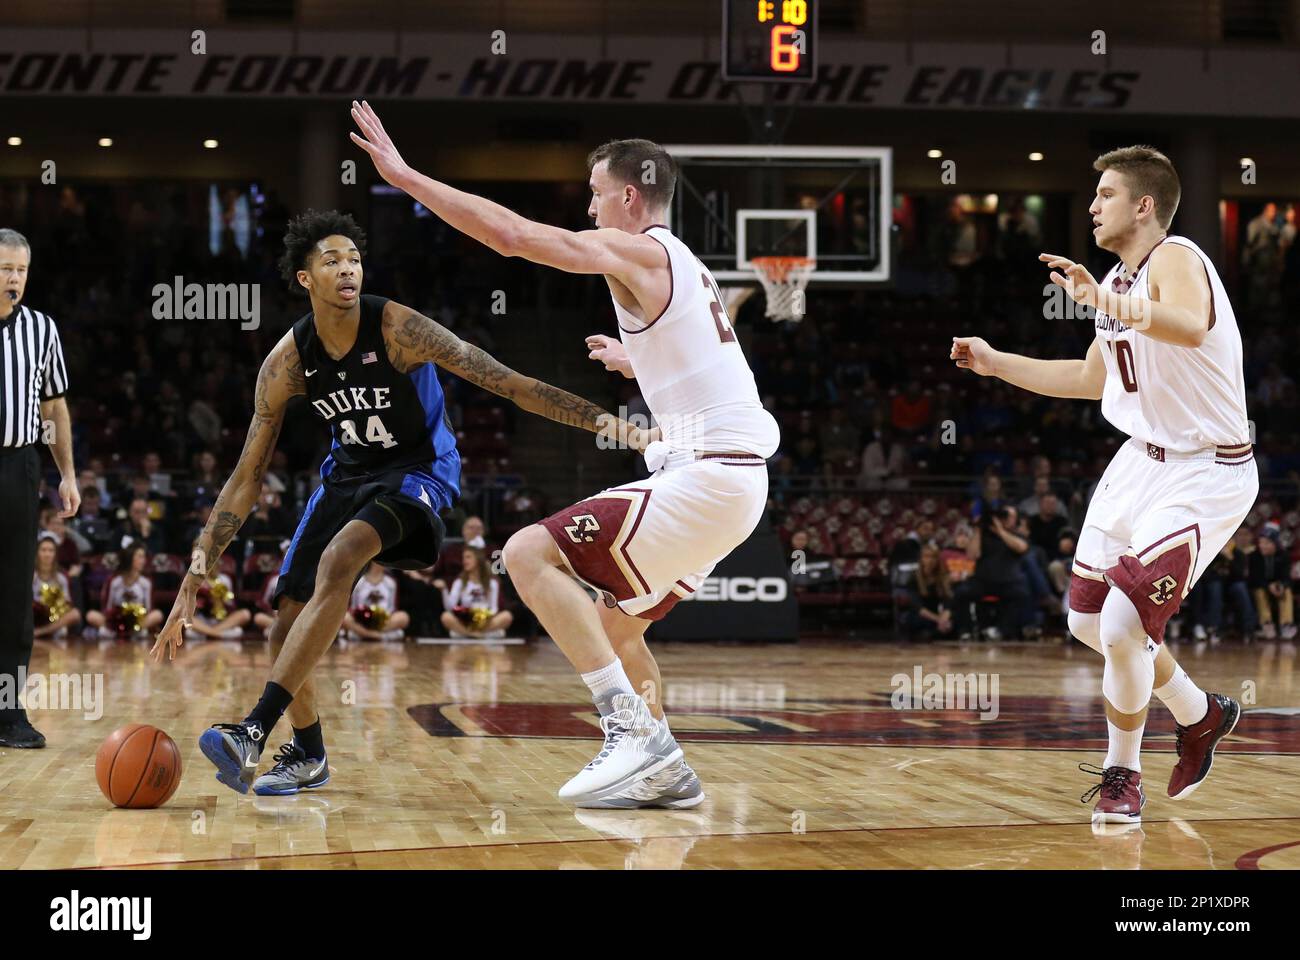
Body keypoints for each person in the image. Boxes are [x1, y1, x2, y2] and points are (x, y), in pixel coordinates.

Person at [350, 101, 778, 808]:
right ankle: (665, 768)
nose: (588, 204)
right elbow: (710, 367)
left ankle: (627, 732)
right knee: (615, 628)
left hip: (711, 476)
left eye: (596, 193)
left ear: (629, 197)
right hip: (733, 480)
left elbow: (515, 237)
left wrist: (407, 178)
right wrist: (636, 357)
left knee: (524, 554)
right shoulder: (688, 269)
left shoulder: (641, 251)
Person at [151, 209, 648, 799]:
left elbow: (504, 381)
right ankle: (307, 754)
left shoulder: (397, 329)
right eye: (331, 261)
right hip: (348, 479)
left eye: (354, 259)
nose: (347, 269)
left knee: (342, 557)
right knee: (281, 629)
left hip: (418, 474)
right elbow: (245, 478)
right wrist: (192, 577)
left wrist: (614, 426)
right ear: (305, 278)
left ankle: (253, 730)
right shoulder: (286, 363)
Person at [952, 145, 1258, 826]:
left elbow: (1188, 324)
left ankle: (1124, 774)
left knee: (1123, 625)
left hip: (1207, 470)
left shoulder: (1175, 257)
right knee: (1086, 622)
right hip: (1141, 462)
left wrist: (1103, 296)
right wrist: (997, 364)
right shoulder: (1119, 279)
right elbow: (1094, 379)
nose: (1092, 206)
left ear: (1144, 206)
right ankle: (1199, 714)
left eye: (1107, 194)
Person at [0, 228, 78, 749]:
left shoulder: (41, 329)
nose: (14, 279)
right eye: (5, 269)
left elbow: (54, 407)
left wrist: (67, 473)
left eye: (21, 270)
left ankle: (9, 715)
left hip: (17, 466)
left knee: (11, 596)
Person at [87, 543, 164, 637]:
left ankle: (135, 631)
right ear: (129, 558)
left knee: (158, 615)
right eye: (140, 557)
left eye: (144, 557)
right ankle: (114, 631)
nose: (143, 561)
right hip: (116, 621)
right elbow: (106, 608)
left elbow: (149, 609)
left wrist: (136, 616)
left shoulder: (146, 582)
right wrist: (116, 616)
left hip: (138, 621)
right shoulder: (114, 581)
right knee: (91, 615)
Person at [435, 547, 513, 639]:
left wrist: (482, 616)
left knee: (507, 616)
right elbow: (450, 607)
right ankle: (474, 634)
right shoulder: (459, 582)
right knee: (446, 616)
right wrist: (444, 590)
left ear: (478, 559)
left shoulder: (492, 583)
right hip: (466, 620)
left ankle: (466, 634)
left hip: (485, 620)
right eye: (463, 558)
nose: (464, 561)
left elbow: (494, 608)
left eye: (468, 557)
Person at [343, 562, 410, 641]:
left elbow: (392, 608)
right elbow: (353, 607)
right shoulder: (359, 582)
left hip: (384, 622)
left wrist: (384, 618)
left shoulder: (391, 583)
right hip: (362, 621)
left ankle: (365, 634)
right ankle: (378, 636)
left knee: (404, 617)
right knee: (345, 617)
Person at [32, 535, 81, 642]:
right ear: (37, 553)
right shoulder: (31, 576)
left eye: (51, 550)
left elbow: (68, 604)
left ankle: (38, 632)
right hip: (33, 617)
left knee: (75, 614)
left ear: (55, 554)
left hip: (54, 619)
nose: (47, 554)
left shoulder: (62, 577)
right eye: (43, 550)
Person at [1250, 532, 1295, 640]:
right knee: (1259, 591)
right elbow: (1254, 579)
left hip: (1278, 585)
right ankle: (1267, 624)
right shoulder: (1254, 556)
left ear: (1274, 544)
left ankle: (1286, 624)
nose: (1262, 546)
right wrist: (1268, 586)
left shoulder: (1283, 555)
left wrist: (1282, 585)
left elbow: (1287, 577)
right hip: (1261, 585)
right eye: (1260, 543)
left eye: (1266, 543)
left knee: (1286, 591)